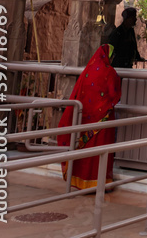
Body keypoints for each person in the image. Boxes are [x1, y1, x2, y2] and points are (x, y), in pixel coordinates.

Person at [57, 44, 122, 190]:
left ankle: (80, 181)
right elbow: (115, 94)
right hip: (103, 117)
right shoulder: (109, 72)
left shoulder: (88, 70)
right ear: (108, 56)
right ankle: (98, 184)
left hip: (85, 117)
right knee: (100, 151)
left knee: (85, 151)